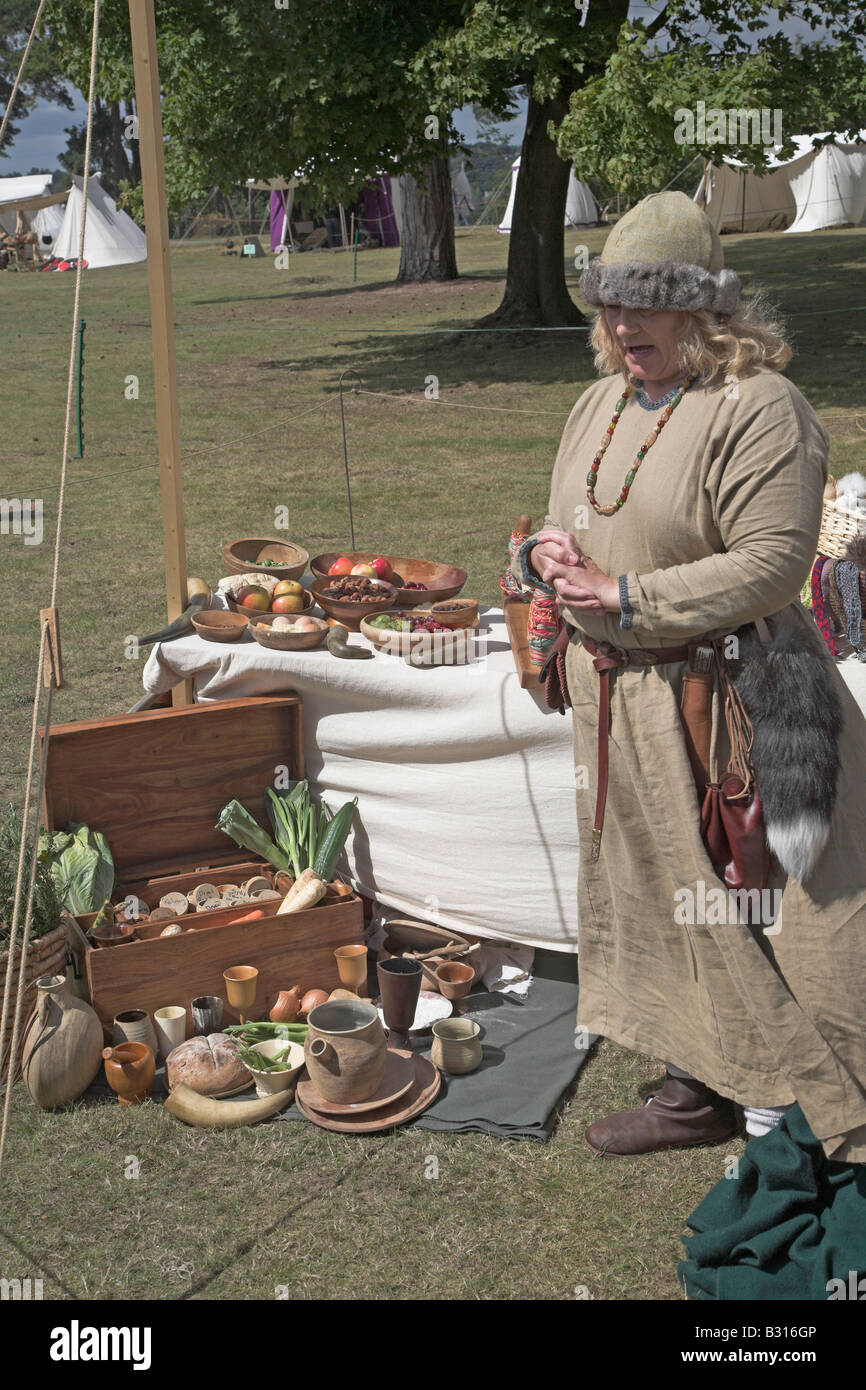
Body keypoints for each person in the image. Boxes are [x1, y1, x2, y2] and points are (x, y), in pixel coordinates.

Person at [516, 191, 866, 1162]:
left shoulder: (757, 407)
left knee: (747, 895)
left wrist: (622, 597)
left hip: (727, 701)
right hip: (612, 698)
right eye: (610, 305)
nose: (623, 325)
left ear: (707, 312)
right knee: (645, 889)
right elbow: (565, 525)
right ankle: (694, 1081)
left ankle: (794, 1099)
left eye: (648, 305)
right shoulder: (598, 403)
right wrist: (540, 565)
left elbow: (768, 561)